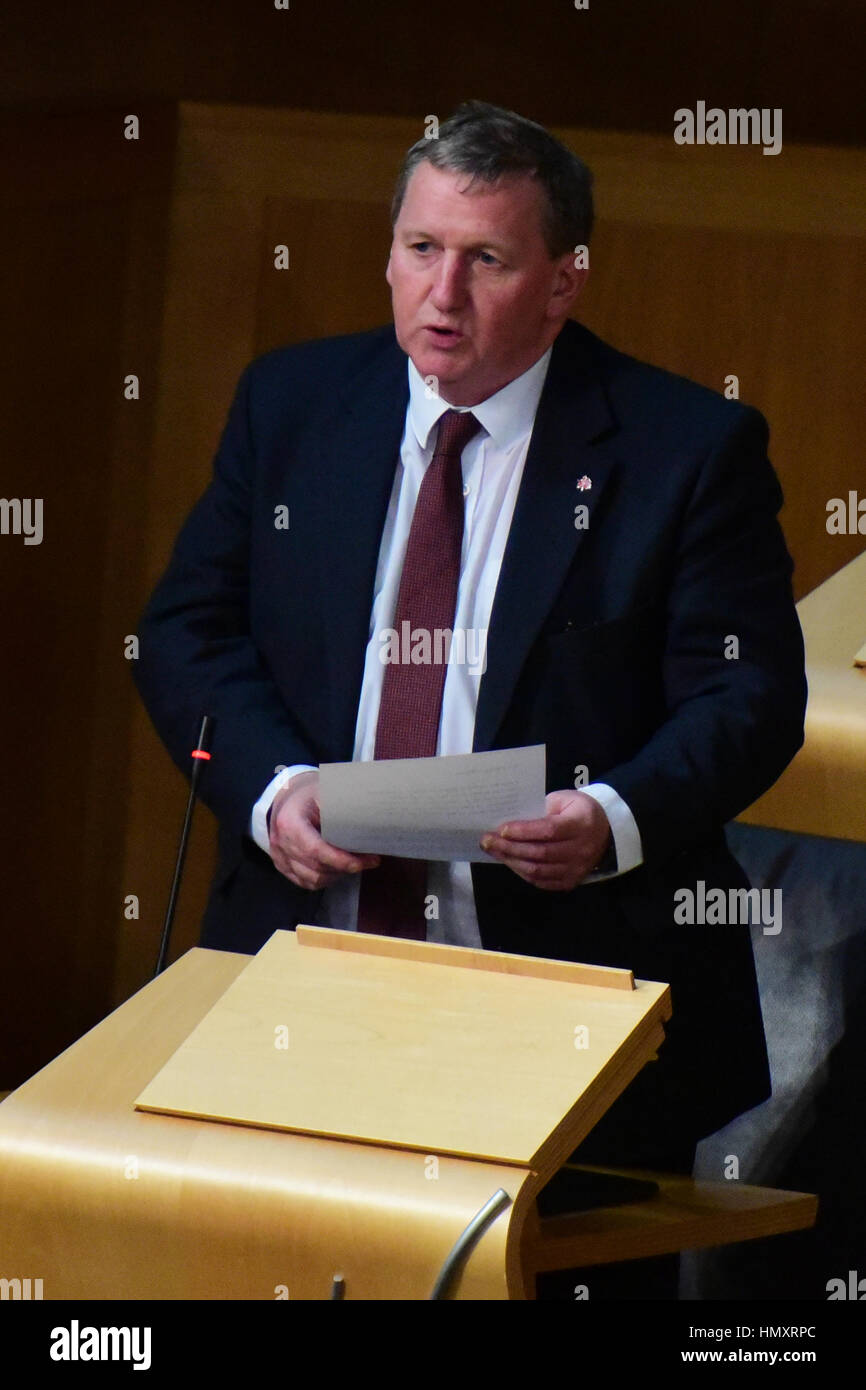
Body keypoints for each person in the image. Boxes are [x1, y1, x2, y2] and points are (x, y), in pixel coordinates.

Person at [133, 101, 807, 1297]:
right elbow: (188, 631)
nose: (439, 295)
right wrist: (274, 789)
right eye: (419, 250)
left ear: (562, 282)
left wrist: (612, 814)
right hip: (307, 969)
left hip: (568, 1004)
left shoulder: (683, 448)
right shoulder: (292, 407)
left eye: (485, 259)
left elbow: (745, 694)